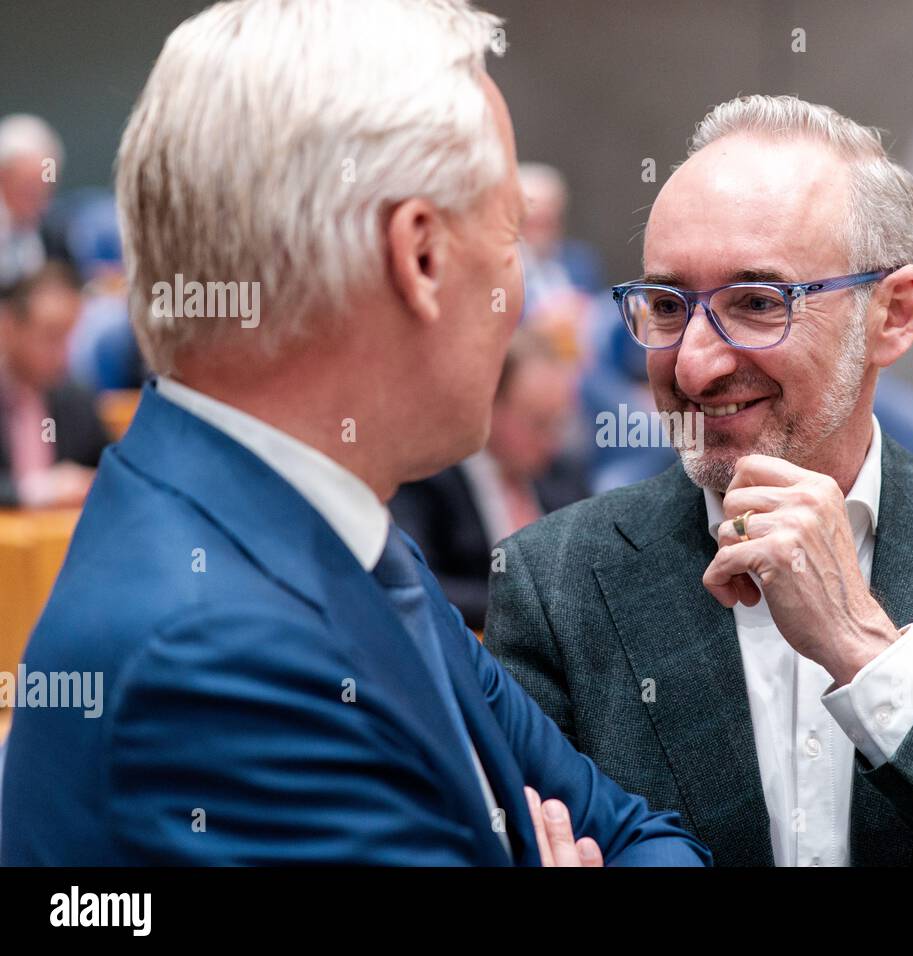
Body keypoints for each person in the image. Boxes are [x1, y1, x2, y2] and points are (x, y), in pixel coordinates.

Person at [0, 0, 708, 868]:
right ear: (418, 257)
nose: (523, 297)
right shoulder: (224, 669)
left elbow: (644, 837)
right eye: (508, 234)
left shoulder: (345, 534)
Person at [486, 95, 913, 866]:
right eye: (665, 305)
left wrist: (869, 654)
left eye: (757, 302)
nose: (692, 362)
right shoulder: (554, 582)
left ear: (892, 314)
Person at [391, 328, 589, 630]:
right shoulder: (428, 476)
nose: (552, 441)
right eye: (538, 423)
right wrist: (532, 610)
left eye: (559, 423)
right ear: (489, 406)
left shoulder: (562, 473)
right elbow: (419, 586)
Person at [0, 263, 107, 508]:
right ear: (8, 328)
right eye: (51, 336)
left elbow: (111, 473)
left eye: (69, 335)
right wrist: (34, 490)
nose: (63, 353)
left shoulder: (76, 399)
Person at [0, 115, 63, 287]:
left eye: (45, 188)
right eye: (28, 186)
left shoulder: (52, 230)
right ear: (3, 177)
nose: (38, 198)